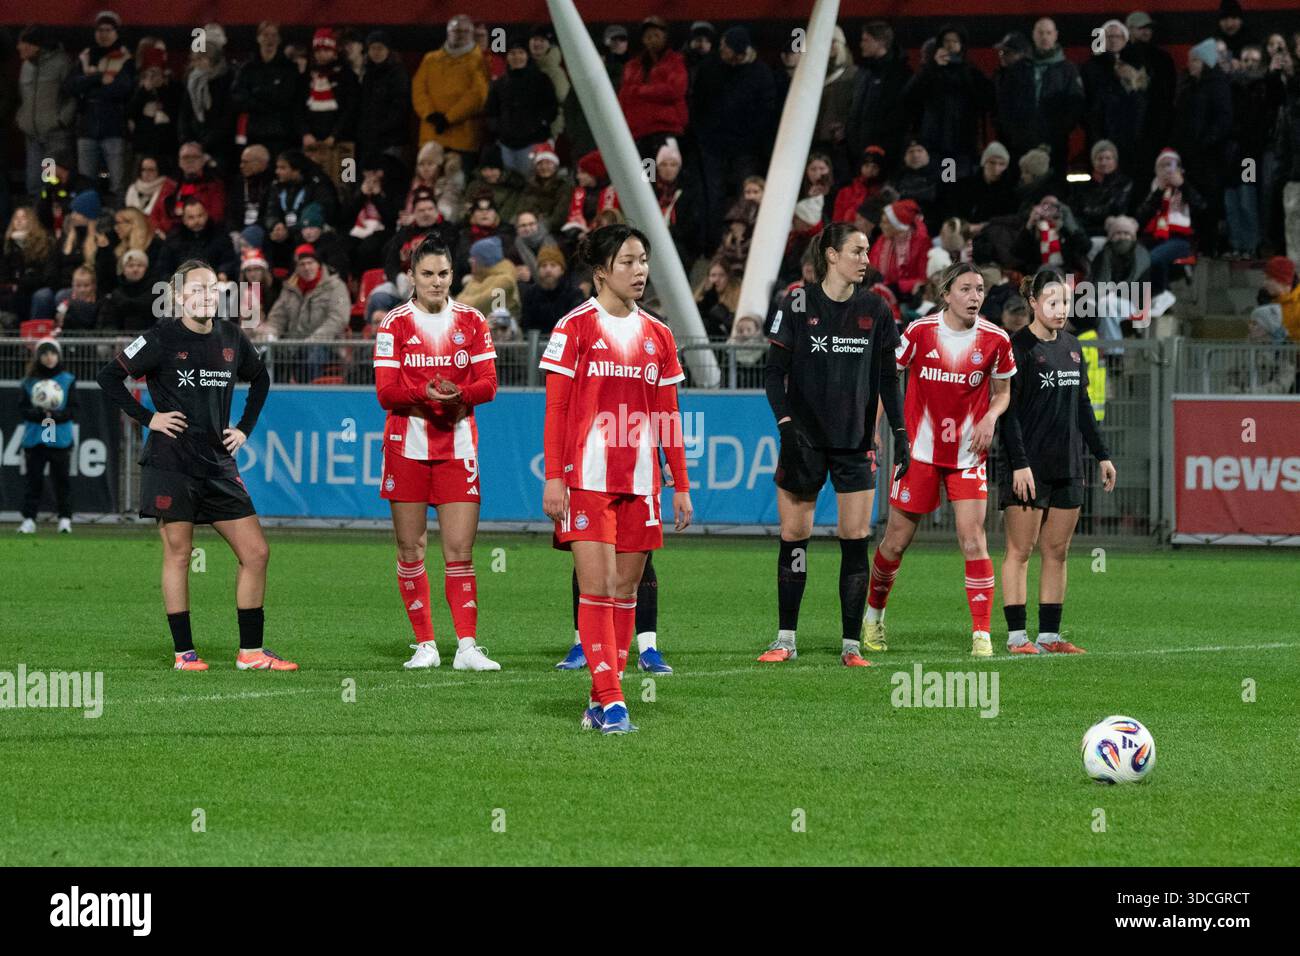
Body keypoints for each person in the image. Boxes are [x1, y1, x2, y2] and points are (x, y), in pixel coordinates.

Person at [96, 258, 292, 671]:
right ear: (178, 295)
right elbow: (109, 377)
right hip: (171, 463)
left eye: (212, 289)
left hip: (218, 464)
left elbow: (260, 378)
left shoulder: (231, 336)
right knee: (180, 554)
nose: (206, 296)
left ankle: (251, 653)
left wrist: (244, 428)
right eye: (197, 289)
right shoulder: (161, 337)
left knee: (256, 552)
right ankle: (184, 654)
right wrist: (149, 418)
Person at [539, 224, 693, 733]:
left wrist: (681, 483)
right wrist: (555, 476)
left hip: (643, 481)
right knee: (598, 587)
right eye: (627, 261)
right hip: (586, 479)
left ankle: (599, 697)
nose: (640, 270)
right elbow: (557, 409)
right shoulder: (575, 327)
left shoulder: (659, 334)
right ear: (601, 271)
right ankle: (614, 703)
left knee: (626, 591)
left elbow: (668, 414)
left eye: (643, 260)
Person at [757, 222, 905, 667]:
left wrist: (900, 434)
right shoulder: (798, 302)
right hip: (803, 441)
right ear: (831, 255)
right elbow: (773, 373)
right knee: (794, 539)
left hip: (855, 443)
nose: (866, 259)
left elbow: (888, 380)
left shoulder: (876, 309)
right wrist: (787, 426)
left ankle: (850, 646)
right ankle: (785, 639)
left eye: (867, 251)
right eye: (857, 251)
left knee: (855, 540)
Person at [863, 262, 1016, 658]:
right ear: (946, 294)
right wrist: (874, 428)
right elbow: (888, 379)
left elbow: (1002, 393)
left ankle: (981, 633)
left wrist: (990, 417)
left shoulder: (997, 339)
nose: (975, 296)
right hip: (919, 453)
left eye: (979, 289)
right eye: (965, 289)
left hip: (968, 455)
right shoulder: (919, 332)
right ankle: (873, 616)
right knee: (896, 542)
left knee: (973, 539)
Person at [372, 237, 501, 672]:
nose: (436, 281)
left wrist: (459, 393)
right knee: (411, 548)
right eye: (427, 273)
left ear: (452, 274)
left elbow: (489, 384)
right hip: (406, 449)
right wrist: (423, 392)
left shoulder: (473, 320)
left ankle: (467, 646)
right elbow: (386, 393)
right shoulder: (394, 324)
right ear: (411, 275)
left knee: (460, 550)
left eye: (443, 273)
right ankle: (425, 644)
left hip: (457, 449)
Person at [999, 269, 1116, 654]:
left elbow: (1082, 406)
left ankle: (1049, 636)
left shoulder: (1071, 346)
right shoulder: (1017, 347)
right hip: (1027, 466)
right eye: (1052, 302)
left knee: (1058, 551)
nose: (1060, 309)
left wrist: (1101, 455)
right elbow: (1008, 413)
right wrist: (1019, 463)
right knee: (1020, 551)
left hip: (1068, 464)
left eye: (1065, 301)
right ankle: (1017, 637)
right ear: (1033, 302)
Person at [17, 339, 77, 535]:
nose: (49, 357)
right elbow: (23, 409)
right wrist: (41, 415)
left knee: (62, 481)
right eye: (44, 354)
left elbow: (73, 409)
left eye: (52, 353)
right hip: (36, 438)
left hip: (59, 438)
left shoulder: (67, 380)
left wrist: (55, 416)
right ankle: (29, 519)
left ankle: (65, 519)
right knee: (33, 481)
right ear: (38, 357)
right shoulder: (29, 382)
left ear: (58, 356)